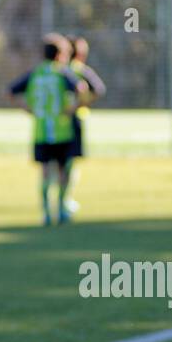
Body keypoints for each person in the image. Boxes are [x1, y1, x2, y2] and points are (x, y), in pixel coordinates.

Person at [8, 34, 78, 226]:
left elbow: (10, 91)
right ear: (60, 55)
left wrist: (28, 109)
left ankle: (46, 212)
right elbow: (81, 88)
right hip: (62, 130)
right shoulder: (61, 73)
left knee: (46, 172)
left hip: (40, 131)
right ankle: (62, 209)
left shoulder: (35, 73)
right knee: (65, 171)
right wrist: (72, 108)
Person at [62, 35, 105, 214]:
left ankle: (58, 201)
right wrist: (80, 104)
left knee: (57, 164)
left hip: (57, 120)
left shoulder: (60, 69)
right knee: (71, 164)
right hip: (74, 120)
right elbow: (99, 90)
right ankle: (66, 199)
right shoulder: (80, 71)